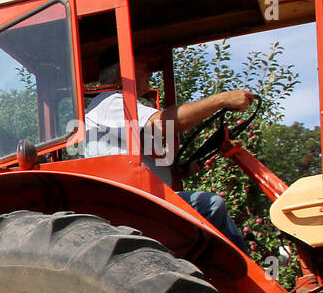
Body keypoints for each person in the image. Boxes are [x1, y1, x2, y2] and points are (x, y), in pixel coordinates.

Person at [83, 48, 252, 253]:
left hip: (143, 201)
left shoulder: (115, 106)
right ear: (122, 70)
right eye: (144, 67)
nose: (151, 74)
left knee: (210, 207)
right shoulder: (111, 103)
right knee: (211, 205)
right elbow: (164, 123)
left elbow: (146, 159)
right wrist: (221, 100)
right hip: (138, 206)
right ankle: (246, 277)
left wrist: (180, 170)